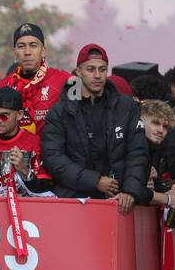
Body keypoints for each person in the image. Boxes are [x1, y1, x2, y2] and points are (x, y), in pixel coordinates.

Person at [41, 44, 149, 213]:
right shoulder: (60, 111)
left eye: (102, 69)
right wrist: (95, 181)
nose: (97, 75)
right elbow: (53, 158)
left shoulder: (127, 106)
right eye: (90, 69)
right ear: (78, 71)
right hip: (73, 201)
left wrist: (129, 191)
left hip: (118, 201)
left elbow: (138, 153)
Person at [0, 22, 72, 133]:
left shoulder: (64, 80)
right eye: (21, 46)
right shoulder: (4, 85)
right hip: (14, 149)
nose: (27, 52)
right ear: (14, 53)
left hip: (50, 149)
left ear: (43, 51)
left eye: (33, 45)